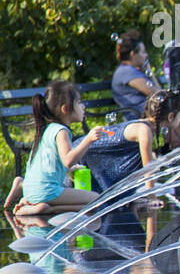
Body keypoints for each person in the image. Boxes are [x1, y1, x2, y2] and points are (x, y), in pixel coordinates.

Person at [7, 82, 107, 216]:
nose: (83, 106)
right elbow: (68, 160)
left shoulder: (48, 128)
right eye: (79, 102)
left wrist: (68, 170)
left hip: (33, 188)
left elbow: (49, 162)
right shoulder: (61, 131)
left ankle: (25, 189)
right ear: (65, 109)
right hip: (47, 191)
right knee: (97, 200)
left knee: (91, 201)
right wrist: (88, 139)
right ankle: (47, 209)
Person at [83, 90, 180, 193]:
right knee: (168, 190)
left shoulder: (144, 126)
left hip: (94, 160)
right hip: (84, 161)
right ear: (171, 116)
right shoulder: (144, 131)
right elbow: (148, 168)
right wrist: (151, 198)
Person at [111, 30, 160, 116]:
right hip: (139, 119)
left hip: (148, 116)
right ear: (133, 54)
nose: (146, 55)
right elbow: (157, 95)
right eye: (143, 52)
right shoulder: (127, 72)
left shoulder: (131, 71)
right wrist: (150, 73)